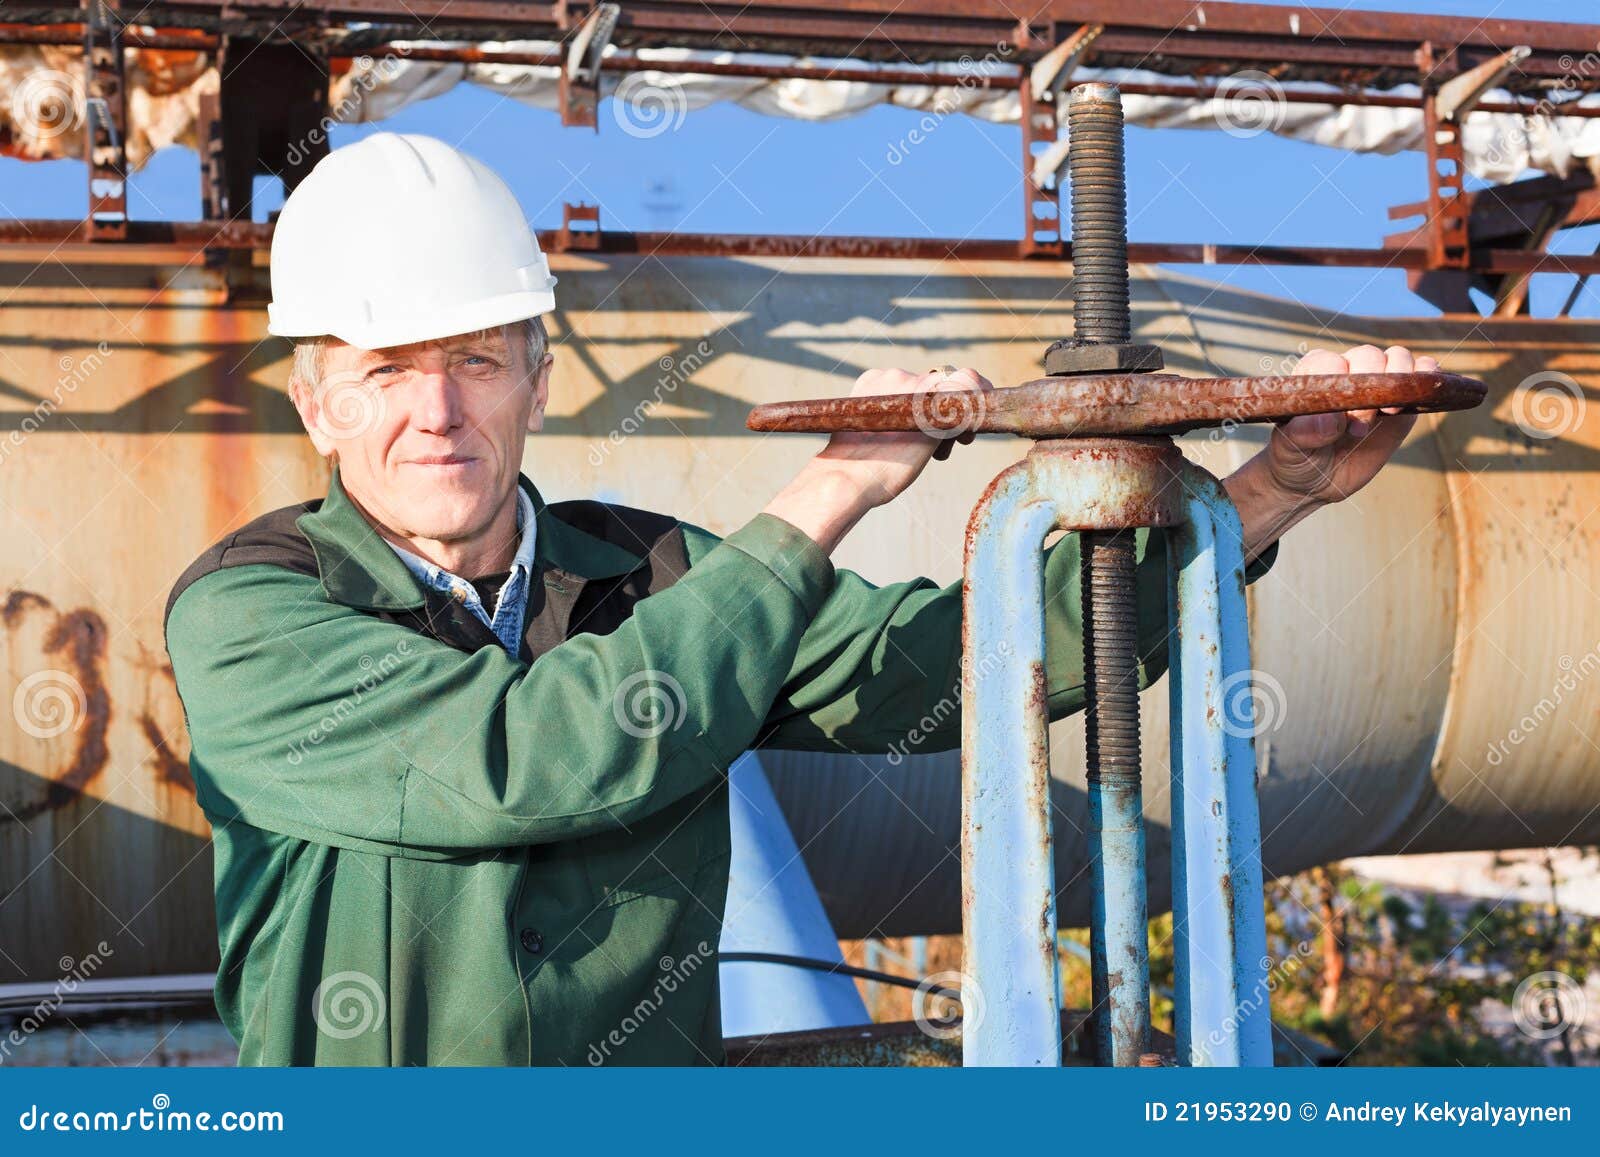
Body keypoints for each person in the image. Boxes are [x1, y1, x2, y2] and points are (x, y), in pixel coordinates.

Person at [165, 133, 1434, 1065]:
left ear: (538, 382)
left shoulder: (648, 571)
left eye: (474, 363)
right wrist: (828, 494)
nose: (434, 413)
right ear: (317, 404)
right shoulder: (256, 615)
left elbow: (967, 667)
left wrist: (1268, 490)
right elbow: (526, 758)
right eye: (384, 371)